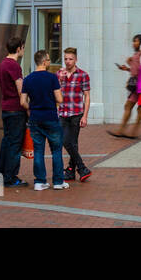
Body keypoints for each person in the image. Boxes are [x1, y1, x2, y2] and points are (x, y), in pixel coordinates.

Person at [21, 50, 66, 190]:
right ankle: (58, 182)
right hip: (51, 117)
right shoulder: (52, 78)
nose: (50, 61)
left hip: (35, 118)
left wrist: (31, 108)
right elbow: (59, 99)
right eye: (49, 59)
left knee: (39, 150)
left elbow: (22, 101)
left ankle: (40, 182)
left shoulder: (28, 79)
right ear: (45, 61)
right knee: (56, 150)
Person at [0, 35, 28, 187]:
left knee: (7, 141)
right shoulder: (14, 66)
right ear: (18, 48)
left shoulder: (3, 64)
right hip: (16, 109)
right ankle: (10, 177)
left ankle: (1, 174)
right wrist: (28, 108)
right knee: (15, 144)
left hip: (6, 107)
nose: (23, 49)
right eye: (23, 47)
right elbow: (20, 89)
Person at [57, 47, 92, 182]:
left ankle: (73, 170)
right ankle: (81, 168)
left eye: (70, 59)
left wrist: (85, 116)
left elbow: (87, 96)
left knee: (71, 142)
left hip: (76, 113)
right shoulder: (59, 74)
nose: (68, 61)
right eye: (65, 59)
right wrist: (60, 80)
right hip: (62, 113)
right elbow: (56, 93)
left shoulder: (83, 75)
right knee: (67, 141)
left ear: (76, 59)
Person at [111, 34, 141, 138]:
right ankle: (124, 130)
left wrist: (131, 64)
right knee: (134, 107)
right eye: (133, 41)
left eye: (136, 41)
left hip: (139, 85)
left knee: (139, 108)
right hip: (137, 85)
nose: (134, 43)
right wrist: (127, 68)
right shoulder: (138, 55)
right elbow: (136, 70)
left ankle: (131, 131)